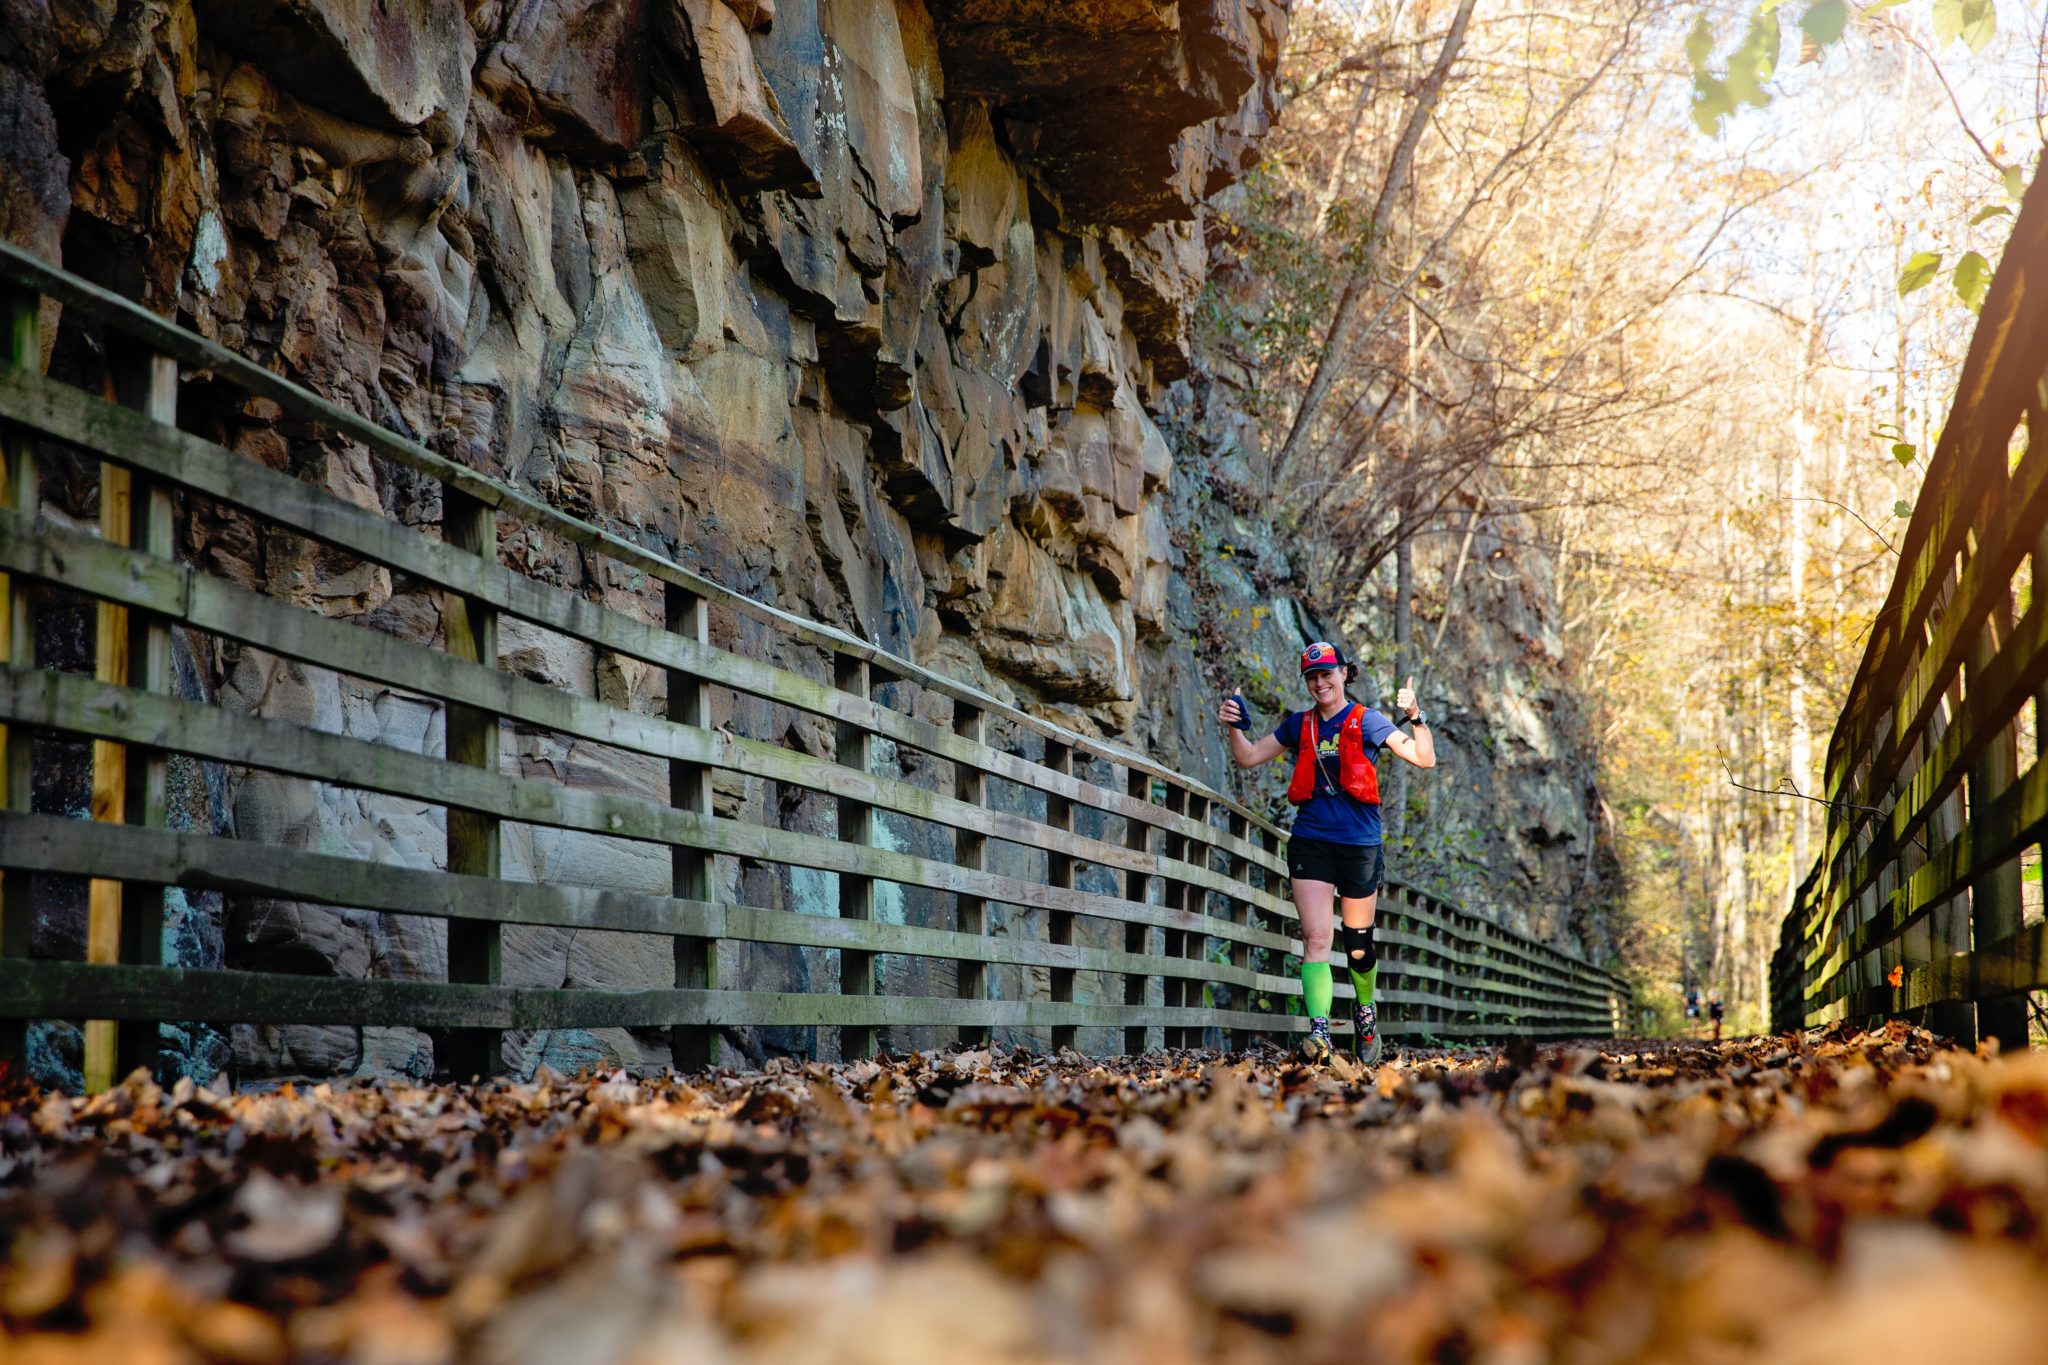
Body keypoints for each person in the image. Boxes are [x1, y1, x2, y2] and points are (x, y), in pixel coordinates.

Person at [1219, 641, 1435, 1065]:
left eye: (1327, 674)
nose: (1320, 683)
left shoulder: (1367, 721)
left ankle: (1365, 1013)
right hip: (1312, 841)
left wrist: (1415, 716)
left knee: (1358, 945)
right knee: (1315, 937)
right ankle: (1318, 1032)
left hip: (1359, 846)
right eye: (1312, 677)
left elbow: (1422, 758)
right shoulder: (1299, 725)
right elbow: (1247, 758)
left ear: (1343, 675)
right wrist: (1233, 725)